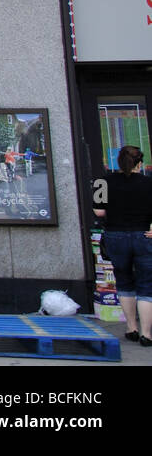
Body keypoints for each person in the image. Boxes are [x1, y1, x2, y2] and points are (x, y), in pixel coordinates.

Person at [93, 145, 152, 345]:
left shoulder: (103, 182)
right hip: (144, 235)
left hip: (115, 235)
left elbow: (99, 212)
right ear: (140, 164)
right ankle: (146, 333)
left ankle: (131, 328)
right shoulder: (148, 182)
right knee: (147, 285)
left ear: (117, 162)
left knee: (124, 281)